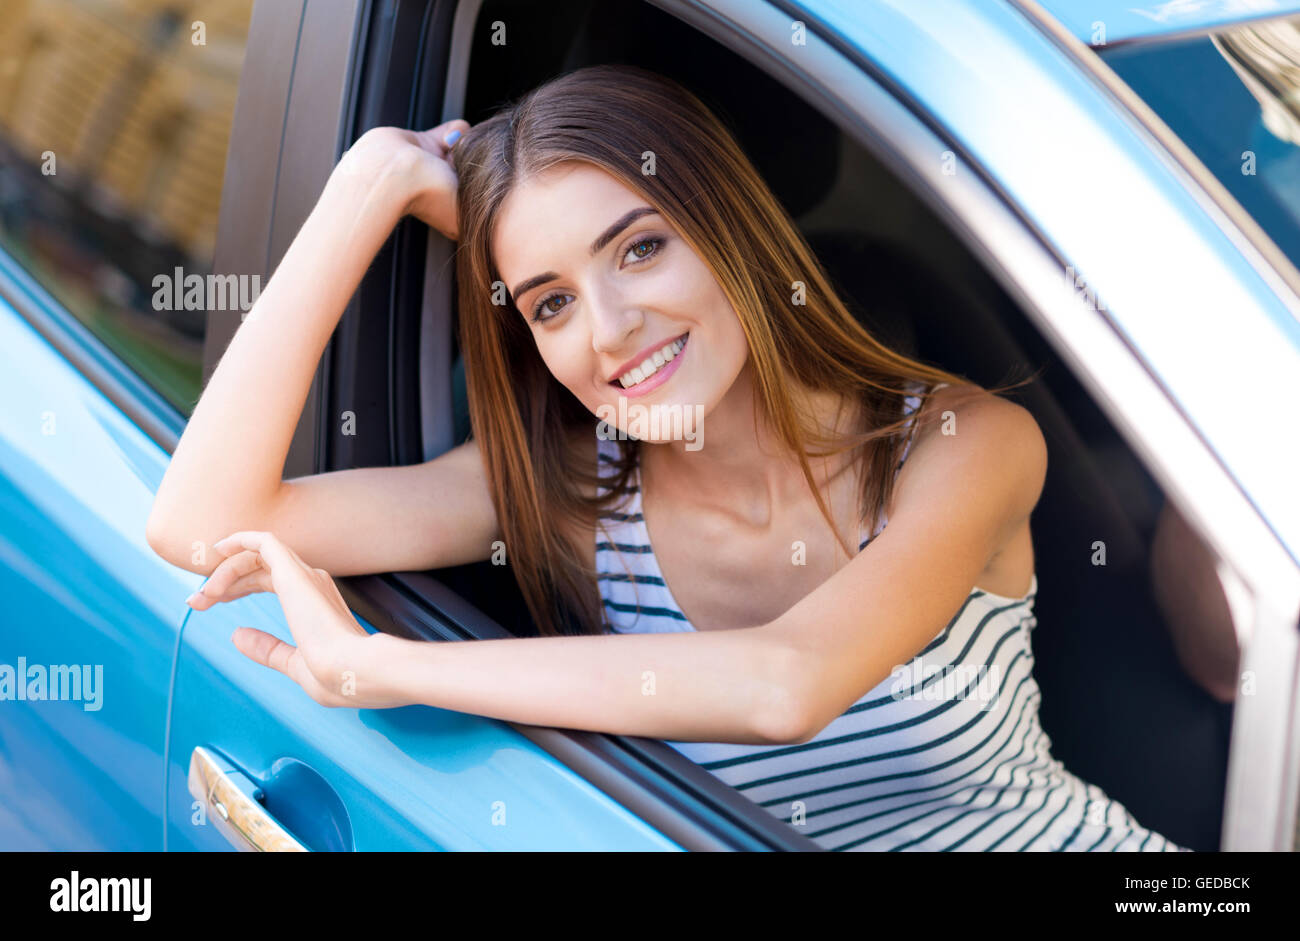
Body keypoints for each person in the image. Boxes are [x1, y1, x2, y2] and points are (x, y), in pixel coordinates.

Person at [146, 63, 1186, 851]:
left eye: (640, 247)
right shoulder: (568, 497)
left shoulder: (960, 443)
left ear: (728, 231)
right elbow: (195, 521)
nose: (608, 330)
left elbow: (788, 684)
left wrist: (383, 666)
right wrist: (366, 182)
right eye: (551, 301)